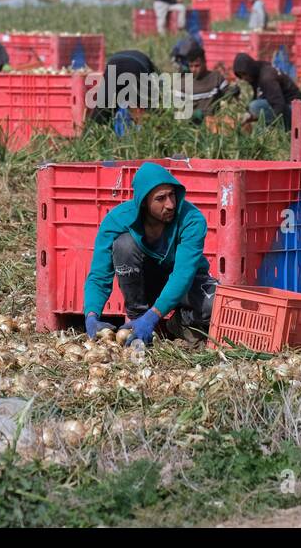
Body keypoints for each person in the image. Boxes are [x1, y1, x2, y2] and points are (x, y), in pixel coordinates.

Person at [82, 161, 218, 346]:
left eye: (172, 195)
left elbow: (182, 275)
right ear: (144, 202)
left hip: (186, 283)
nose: (170, 204)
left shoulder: (191, 219)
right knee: (124, 245)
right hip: (145, 282)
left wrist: (153, 316)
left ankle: (179, 324)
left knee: (216, 305)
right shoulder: (117, 220)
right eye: (160, 199)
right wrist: (91, 315)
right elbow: (99, 275)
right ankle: (136, 320)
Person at [232, 52, 301, 131]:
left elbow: (279, 104)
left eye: (244, 74)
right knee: (256, 119)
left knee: (255, 106)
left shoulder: (267, 78)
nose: (244, 78)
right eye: (241, 76)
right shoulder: (257, 74)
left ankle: (284, 128)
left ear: (249, 69)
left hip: (295, 111)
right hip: (287, 108)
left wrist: (271, 127)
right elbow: (260, 98)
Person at [172, 40, 238, 123]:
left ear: (204, 63)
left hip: (214, 121)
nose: (193, 69)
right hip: (193, 125)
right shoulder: (183, 84)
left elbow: (228, 95)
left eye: (197, 66)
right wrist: (192, 116)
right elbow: (177, 113)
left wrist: (233, 91)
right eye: (191, 66)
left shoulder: (216, 77)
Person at [89, 49, 157, 125]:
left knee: (102, 111)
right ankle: (143, 130)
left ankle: (93, 131)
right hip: (136, 66)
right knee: (148, 111)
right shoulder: (151, 69)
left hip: (115, 64)